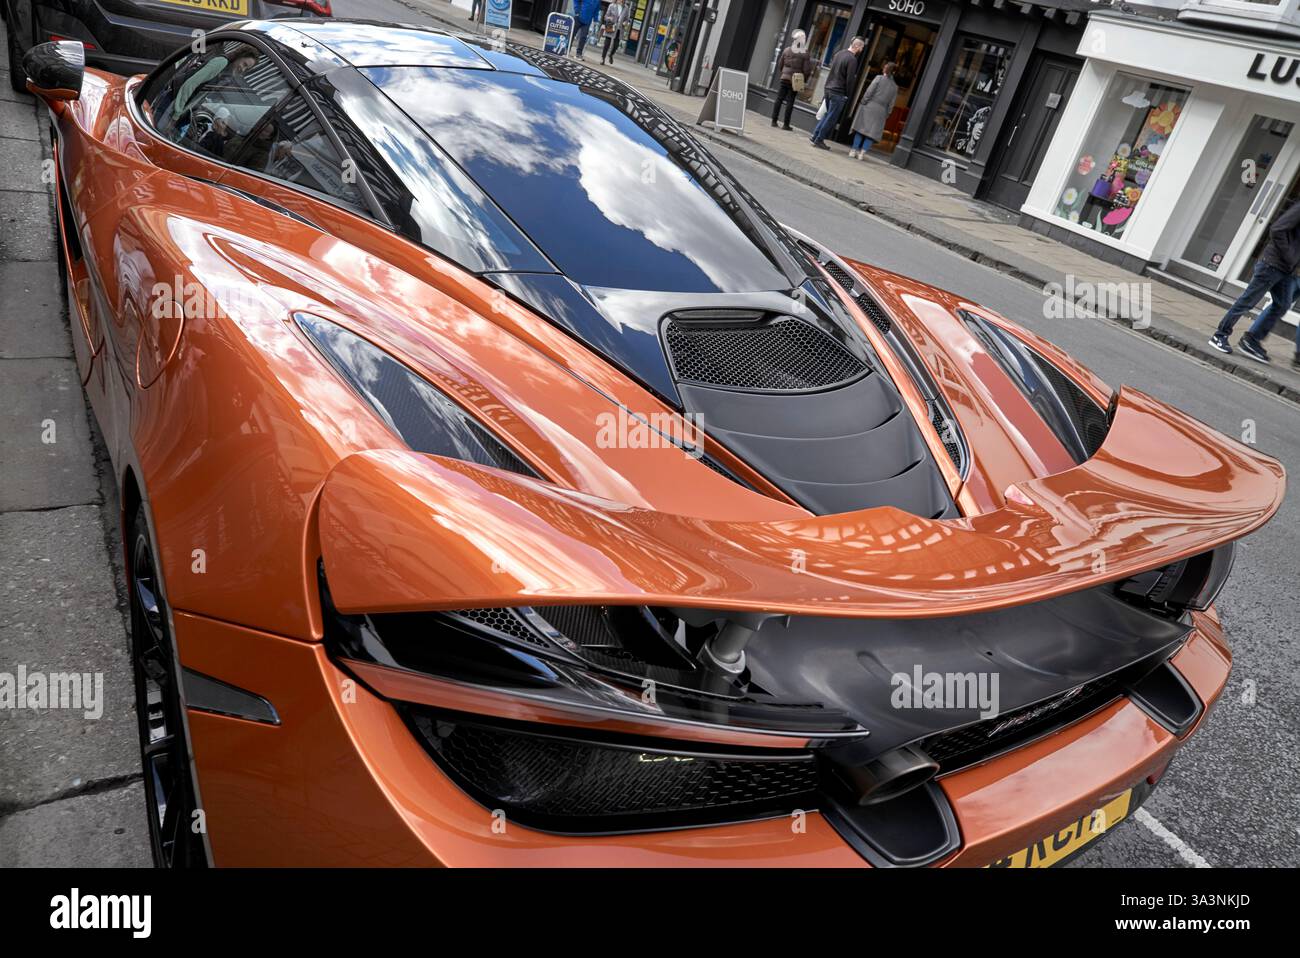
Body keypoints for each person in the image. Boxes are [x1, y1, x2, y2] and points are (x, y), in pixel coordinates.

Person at [1209, 199, 1300, 364]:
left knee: (1282, 304)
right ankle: (1220, 335)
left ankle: (1252, 340)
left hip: (1287, 271)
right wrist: (1291, 256)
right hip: (1272, 265)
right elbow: (1277, 229)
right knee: (1247, 301)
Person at [809, 36, 864, 150]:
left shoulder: (839, 54)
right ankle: (819, 139)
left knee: (827, 114)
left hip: (829, 88)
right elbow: (850, 80)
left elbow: (831, 71)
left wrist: (826, 88)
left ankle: (815, 136)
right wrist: (847, 95)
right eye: (862, 47)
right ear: (857, 46)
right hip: (838, 92)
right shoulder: (852, 60)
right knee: (831, 118)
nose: (862, 50)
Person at [848, 61, 898, 159]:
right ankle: (862, 154)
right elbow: (892, 103)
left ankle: (853, 151)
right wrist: (887, 113)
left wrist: (863, 102)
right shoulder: (895, 87)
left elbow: (869, 91)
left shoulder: (878, 78)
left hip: (869, 106)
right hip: (881, 111)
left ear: (885, 69)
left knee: (860, 129)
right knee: (871, 134)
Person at [771, 30, 813, 130]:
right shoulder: (805, 53)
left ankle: (774, 121)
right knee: (790, 101)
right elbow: (807, 70)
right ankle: (786, 124)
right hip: (796, 80)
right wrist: (803, 80)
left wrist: (784, 73)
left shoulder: (786, 50)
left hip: (784, 78)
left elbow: (780, 65)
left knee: (779, 99)